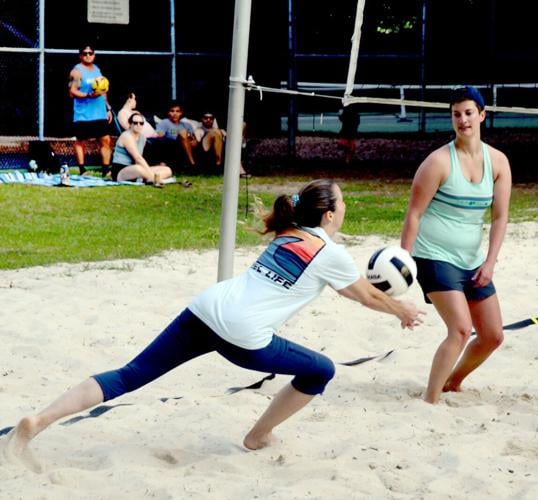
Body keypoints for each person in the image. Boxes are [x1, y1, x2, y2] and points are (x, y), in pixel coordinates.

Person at [2, 179, 424, 467]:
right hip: (243, 335)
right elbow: (363, 294)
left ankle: (38, 421)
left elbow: (355, 287)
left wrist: (386, 301)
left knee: (129, 375)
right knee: (321, 370)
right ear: (330, 215)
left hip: (206, 308)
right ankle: (258, 436)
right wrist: (401, 309)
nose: (346, 205)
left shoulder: (291, 231)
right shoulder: (326, 251)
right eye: (343, 201)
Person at [400, 86, 512, 404]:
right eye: (456, 114)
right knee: (461, 329)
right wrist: (403, 261)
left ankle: (454, 381)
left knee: (492, 336)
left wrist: (490, 263)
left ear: (482, 115)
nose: (462, 120)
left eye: (468, 113)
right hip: (433, 255)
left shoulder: (499, 162)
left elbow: (501, 217)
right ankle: (430, 400)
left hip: (473, 259)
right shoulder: (437, 162)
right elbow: (414, 214)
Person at [68, 43, 113, 177]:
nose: (88, 55)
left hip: (99, 112)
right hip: (84, 114)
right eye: (84, 53)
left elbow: (103, 90)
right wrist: (88, 95)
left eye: (90, 53)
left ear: (94, 54)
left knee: (105, 140)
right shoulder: (76, 71)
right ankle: (83, 170)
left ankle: (106, 170)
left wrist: (108, 108)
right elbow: (71, 92)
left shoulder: (97, 69)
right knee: (81, 141)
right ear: (80, 55)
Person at [111, 112, 173, 187]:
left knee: (167, 170)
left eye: (141, 123)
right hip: (121, 170)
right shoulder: (126, 136)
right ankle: (152, 178)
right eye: (135, 123)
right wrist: (149, 172)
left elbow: (141, 158)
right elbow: (138, 158)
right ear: (130, 124)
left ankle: (149, 178)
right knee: (139, 169)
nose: (138, 125)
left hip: (135, 167)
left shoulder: (142, 138)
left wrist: (149, 170)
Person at [154, 101, 198, 170]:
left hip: (187, 146)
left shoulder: (187, 125)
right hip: (172, 146)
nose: (175, 113)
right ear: (168, 113)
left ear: (181, 113)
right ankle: (192, 164)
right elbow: (159, 136)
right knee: (183, 132)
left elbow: (193, 138)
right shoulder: (164, 122)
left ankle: (190, 163)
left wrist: (195, 141)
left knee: (184, 133)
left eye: (177, 111)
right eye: (172, 111)